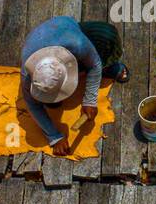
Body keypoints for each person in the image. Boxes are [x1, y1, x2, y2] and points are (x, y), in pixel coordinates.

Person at [20, 17, 128, 156]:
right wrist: (54, 137)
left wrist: (90, 100)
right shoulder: (27, 75)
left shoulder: (77, 44)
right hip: (47, 36)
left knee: (107, 38)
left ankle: (109, 66)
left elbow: (94, 64)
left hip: (66, 28)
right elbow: (32, 105)